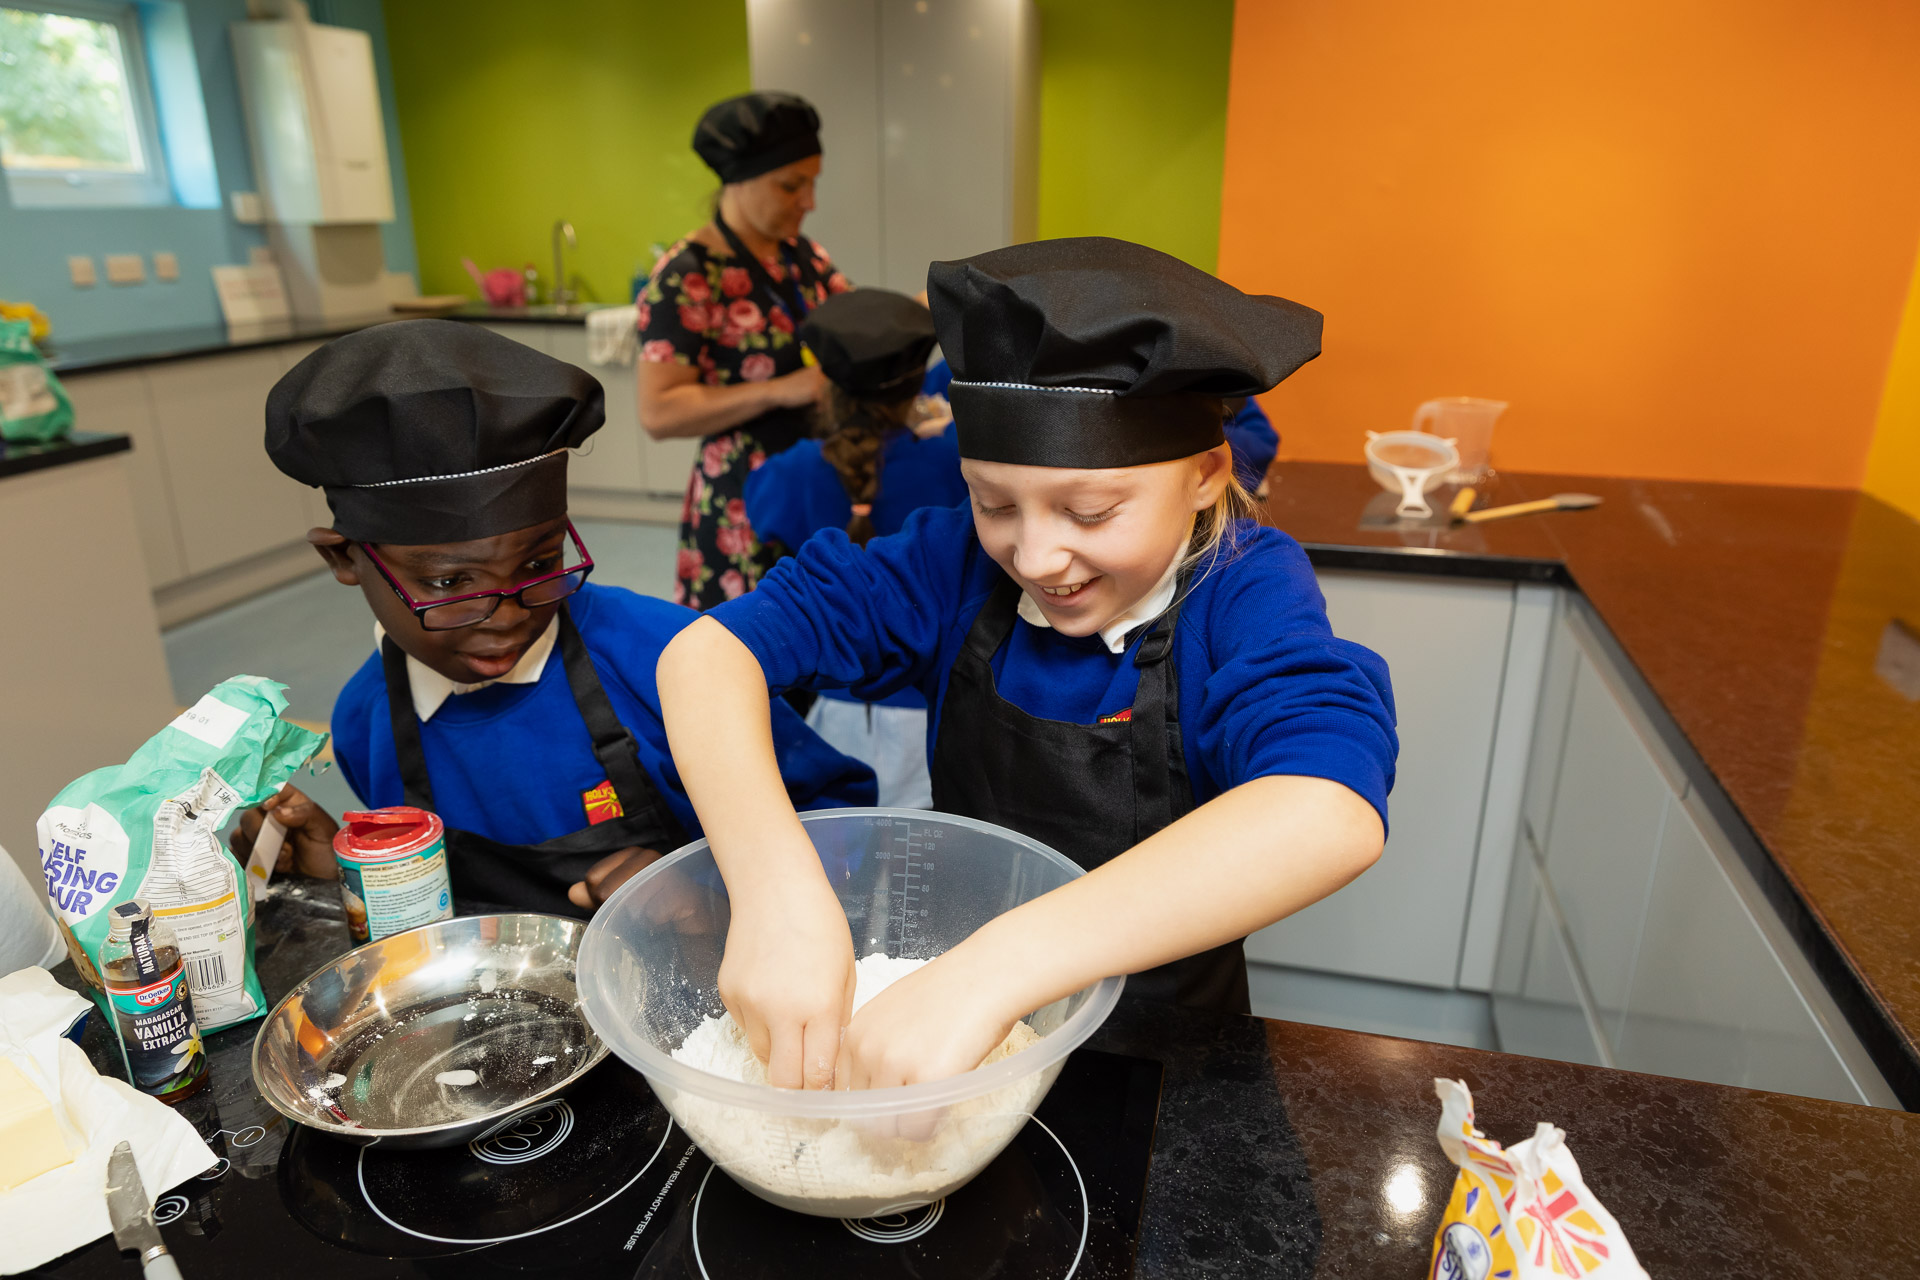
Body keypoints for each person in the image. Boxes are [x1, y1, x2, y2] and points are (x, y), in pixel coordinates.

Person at [655, 237, 1398, 1091]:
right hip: (950, 1047)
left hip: (1168, 1054)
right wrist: (774, 891)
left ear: (1205, 475)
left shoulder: (1243, 587)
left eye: (1090, 511)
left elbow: (1328, 808)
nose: (1036, 557)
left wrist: (996, 969)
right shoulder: (949, 564)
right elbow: (706, 653)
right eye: (994, 501)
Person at [237, 320, 875, 918]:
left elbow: (847, 828)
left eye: (541, 563)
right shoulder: (364, 722)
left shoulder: (669, 660)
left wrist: (708, 890)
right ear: (344, 559)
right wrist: (347, 876)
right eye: (450, 583)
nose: (507, 614)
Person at [744, 289, 967, 808]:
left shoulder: (787, 472)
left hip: (834, 705)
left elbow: (765, 522)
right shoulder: (956, 461)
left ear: (826, 383)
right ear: (918, 382)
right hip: (931, 706)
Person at [636, 91, 852, 609]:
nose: (809, 202)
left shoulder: (804, 257)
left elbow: (851, 328)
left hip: (813, 482)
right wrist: (780, 390)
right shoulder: (689, 276)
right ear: (738, 180)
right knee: (749, 641)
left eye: (813, 183)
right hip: (743, 505)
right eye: (791, 185)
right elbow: (660, 411)